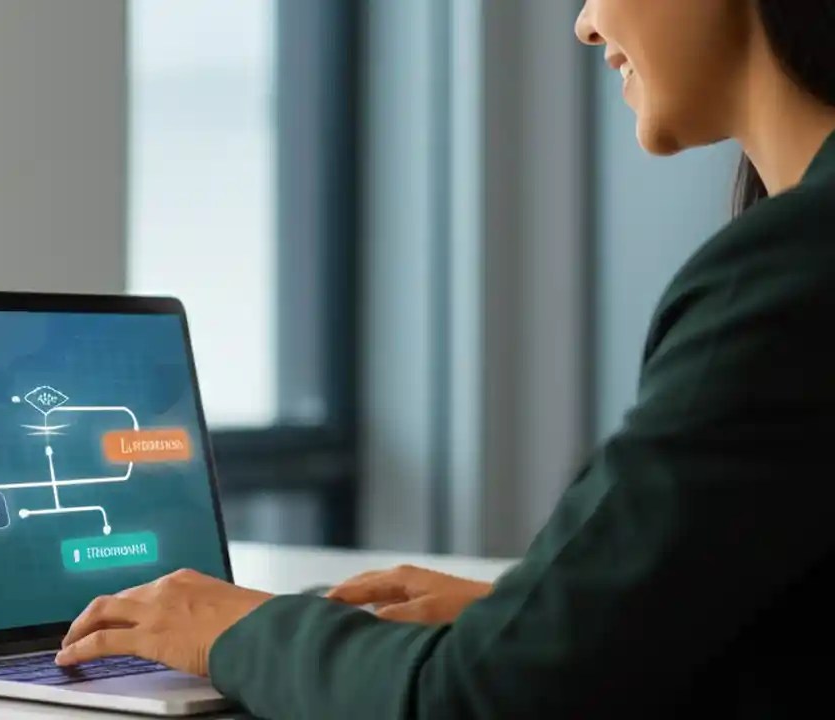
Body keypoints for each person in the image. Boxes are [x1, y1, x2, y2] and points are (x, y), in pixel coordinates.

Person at [55, 0, 835, 715]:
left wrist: (241, 633)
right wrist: (555, 618)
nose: (587, 24)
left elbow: (477, 700)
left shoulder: (792, 270)